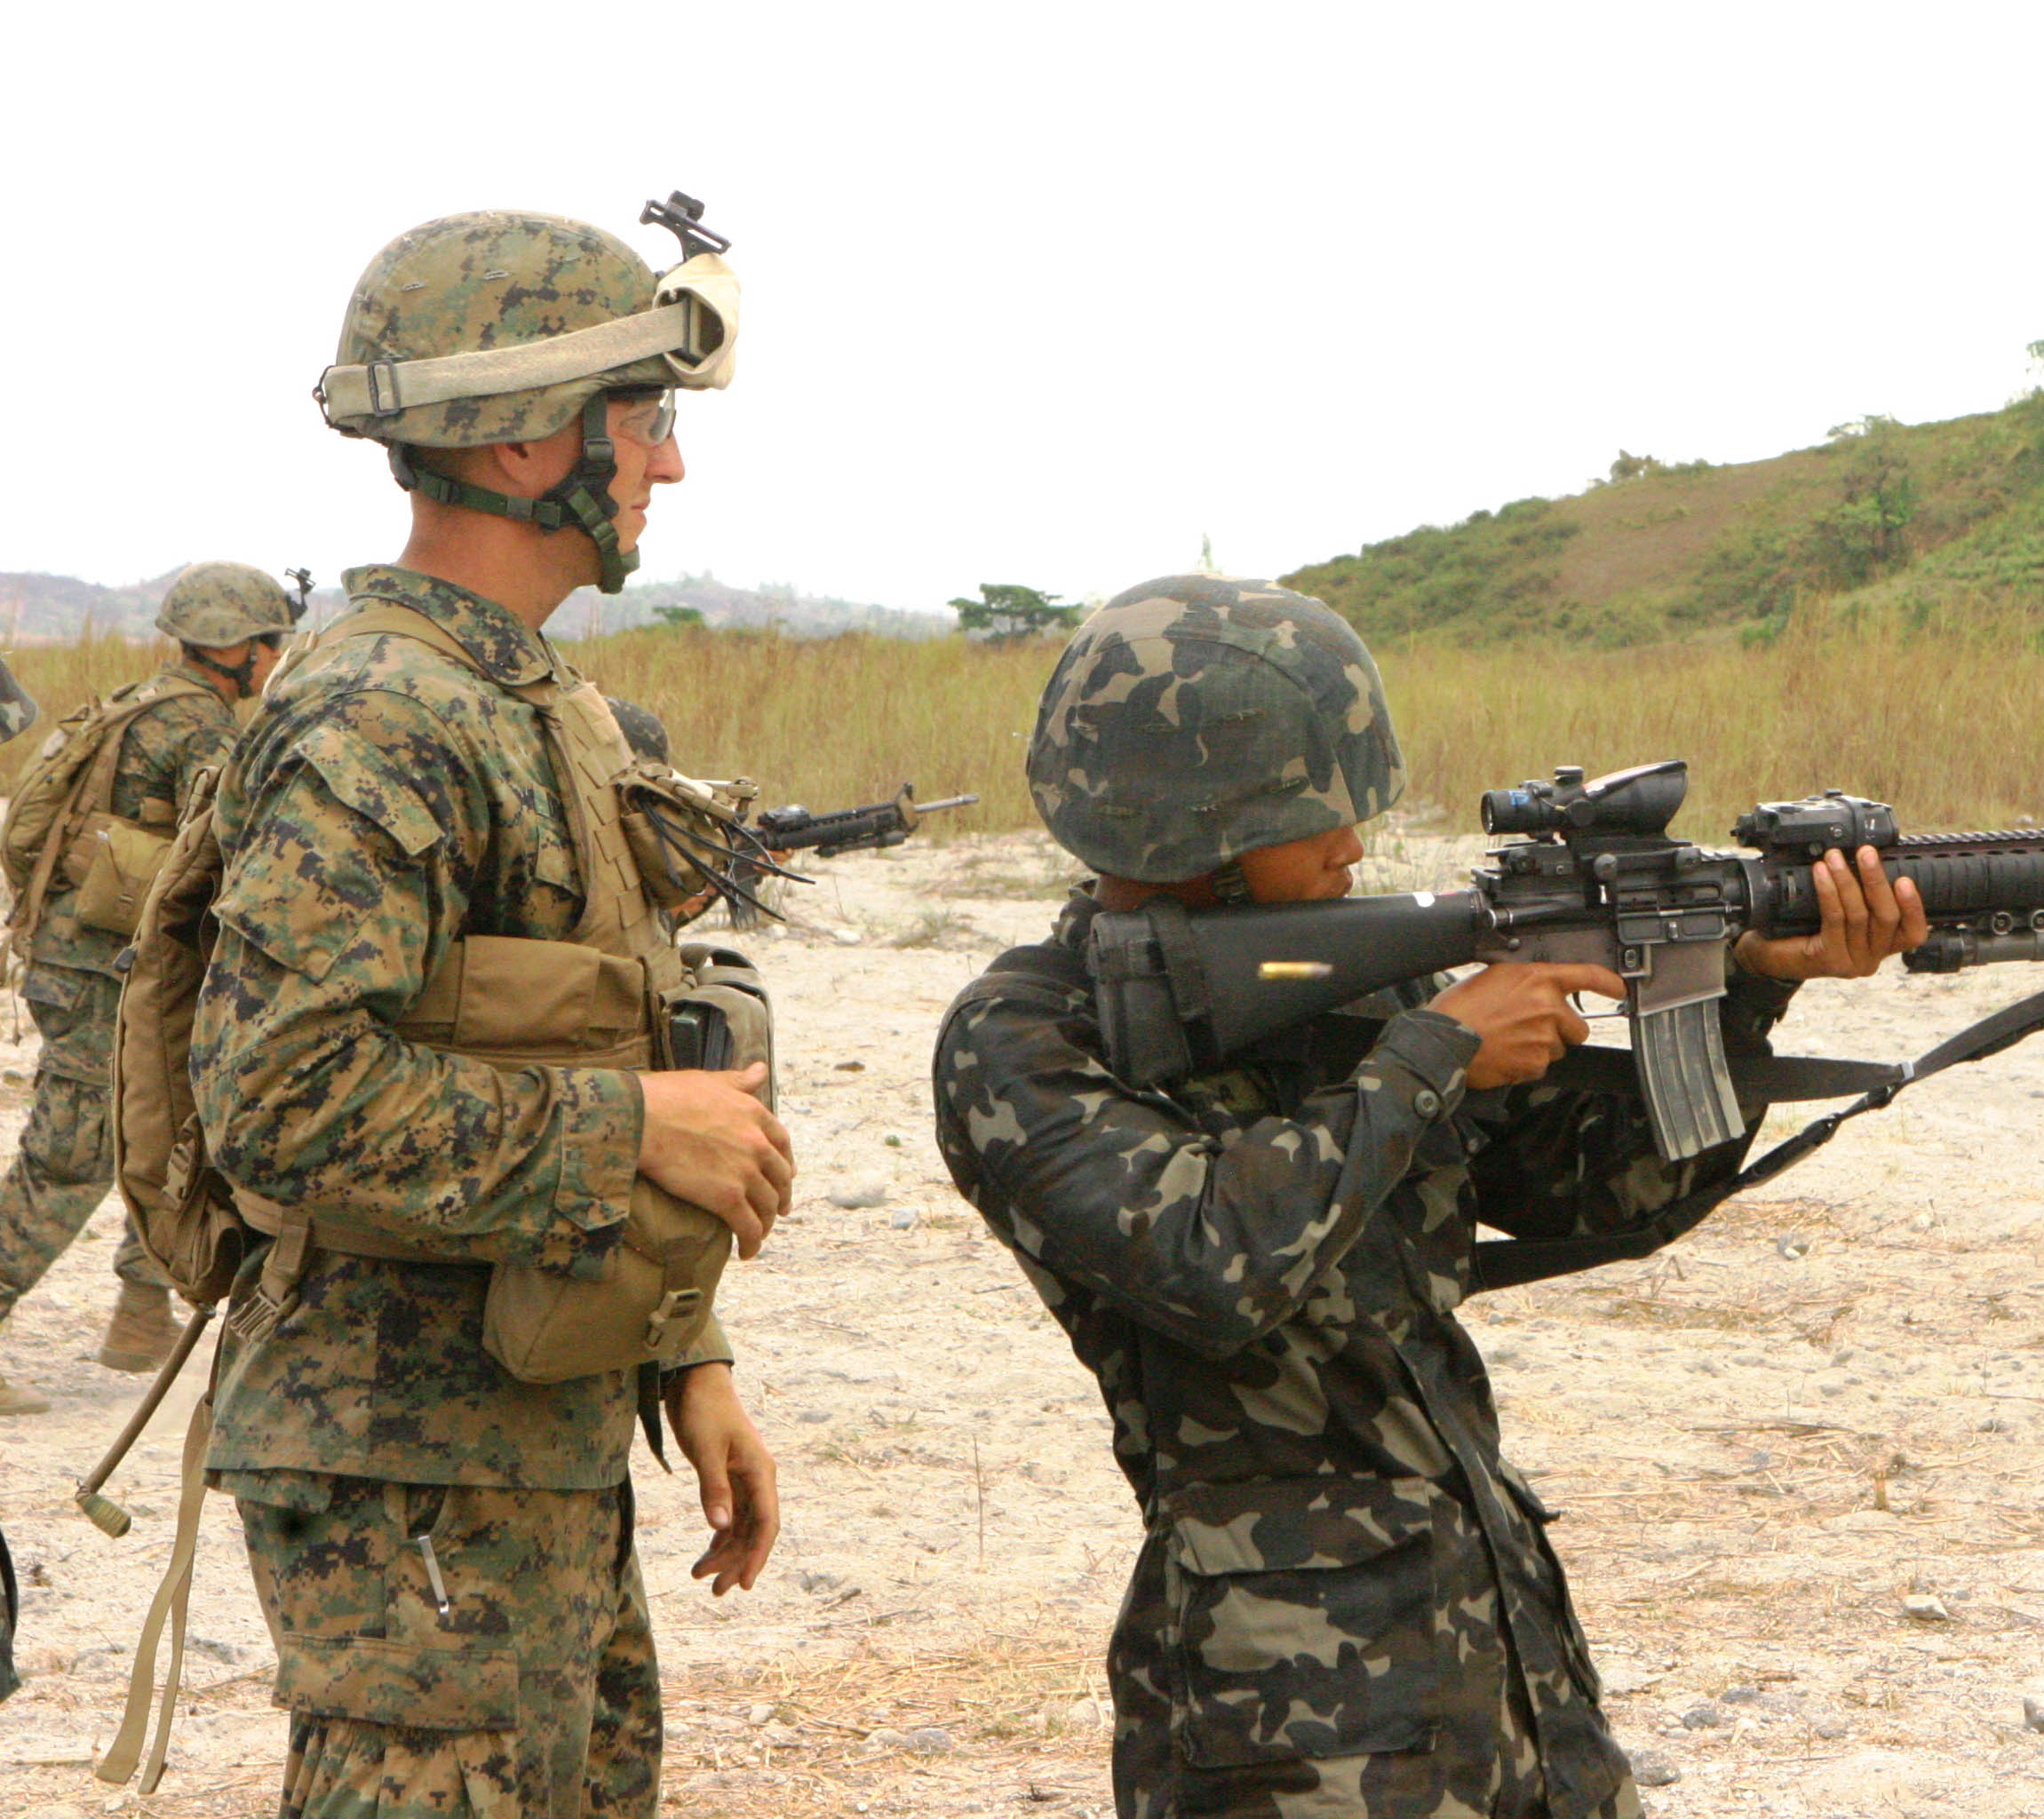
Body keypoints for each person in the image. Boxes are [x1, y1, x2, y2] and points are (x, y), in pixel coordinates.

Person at [933, 575, 1926, 1819]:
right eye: (1319, 817)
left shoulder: (1352, 987)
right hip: (1288, 1722)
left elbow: (1599, 1193)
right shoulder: (1024, 1037)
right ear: (1193, 826)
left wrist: (1741, 991)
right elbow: (1208, 1265)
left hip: (1499, 1654)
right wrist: (1433, 1058)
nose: (1354, 847)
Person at [189, 203, 788, 1818]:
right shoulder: (379, 711)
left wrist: (690, 1359)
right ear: (530, 444)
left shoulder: (532, 700)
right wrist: (636, 1127)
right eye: (644, 421)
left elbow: (579, 1042)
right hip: (402, 1462)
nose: (668, 466)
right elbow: (282, 1096)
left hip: (528, 1430)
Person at [0, 563, 292, 1416]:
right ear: (235, 648)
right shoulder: (199, 729)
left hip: (92, 963)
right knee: (73, 1154)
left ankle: (140, 1310)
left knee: (165, 1123)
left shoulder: (136, 702)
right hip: (104, 973)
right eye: (271, 643)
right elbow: (239, 849)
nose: (277, 659)